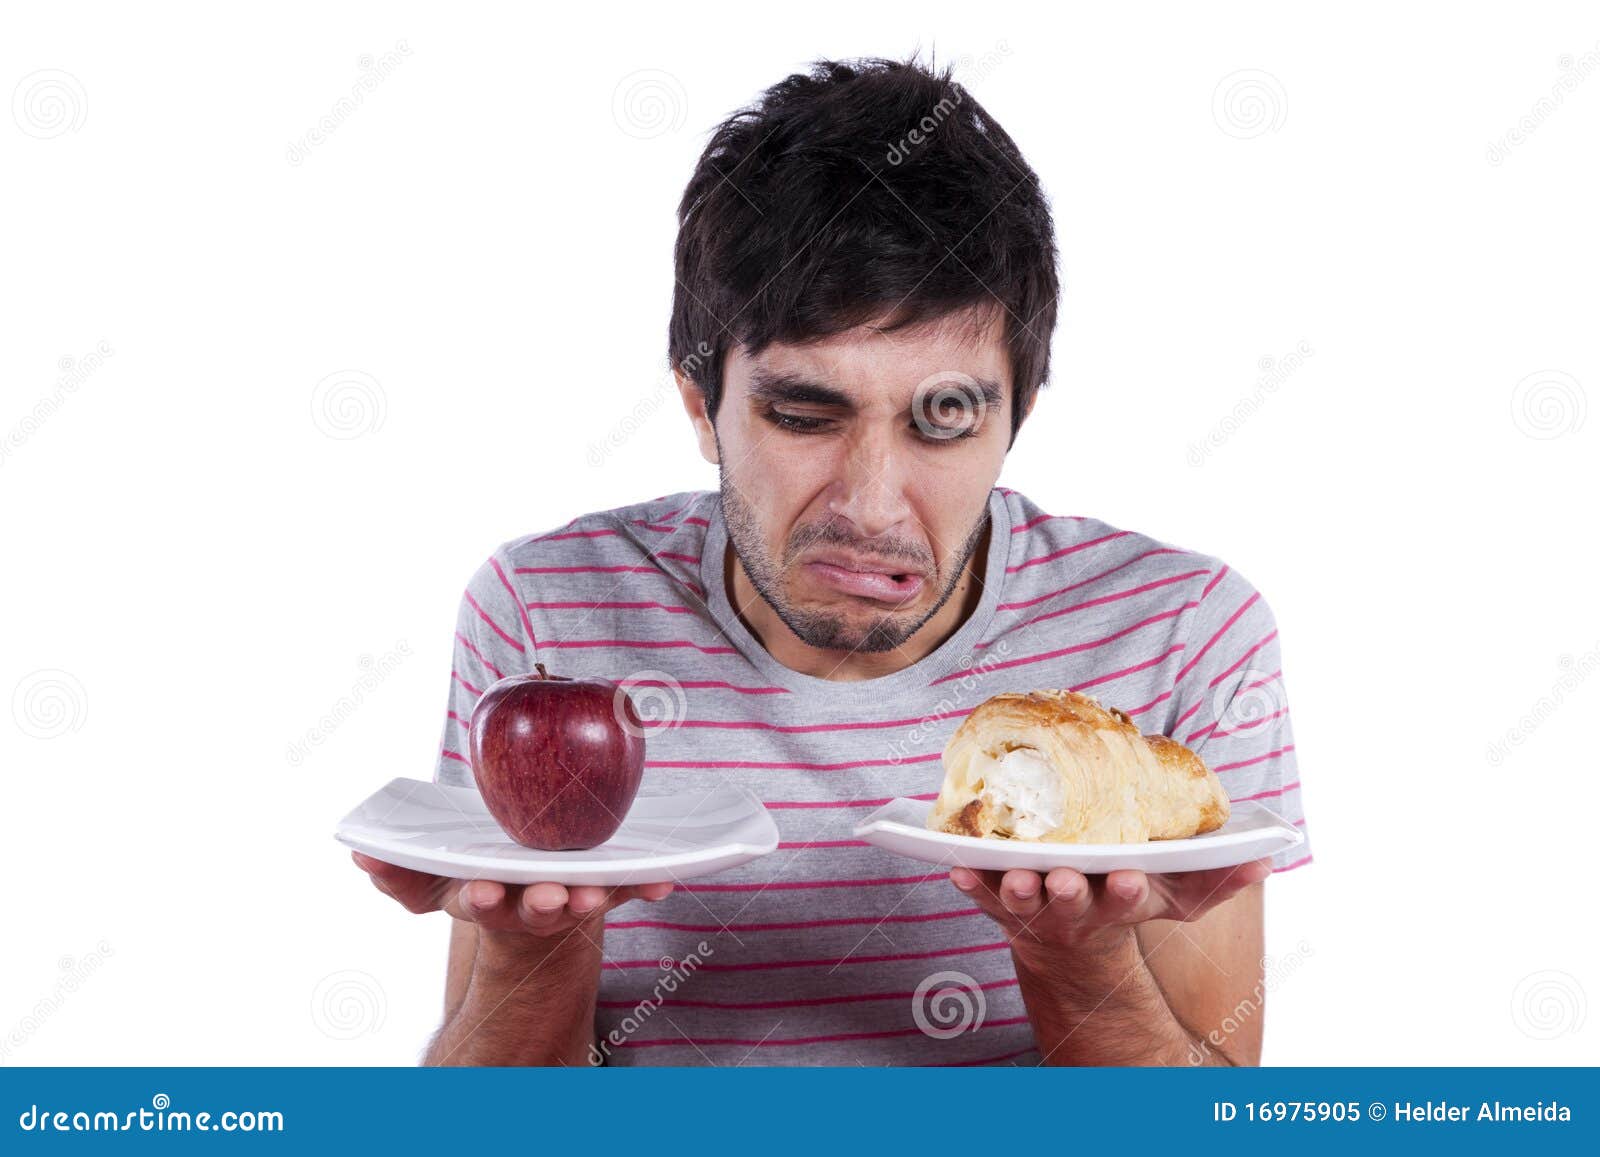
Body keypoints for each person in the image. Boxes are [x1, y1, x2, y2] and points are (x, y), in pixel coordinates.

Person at [351, 55, 1311, 1066]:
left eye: (944, 423)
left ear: (1019, 414)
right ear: (698, 404)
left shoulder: (1181, 632)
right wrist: (531, 946)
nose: (869, 504)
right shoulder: (550, 611)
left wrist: (1078, 958)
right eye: (805, 415)